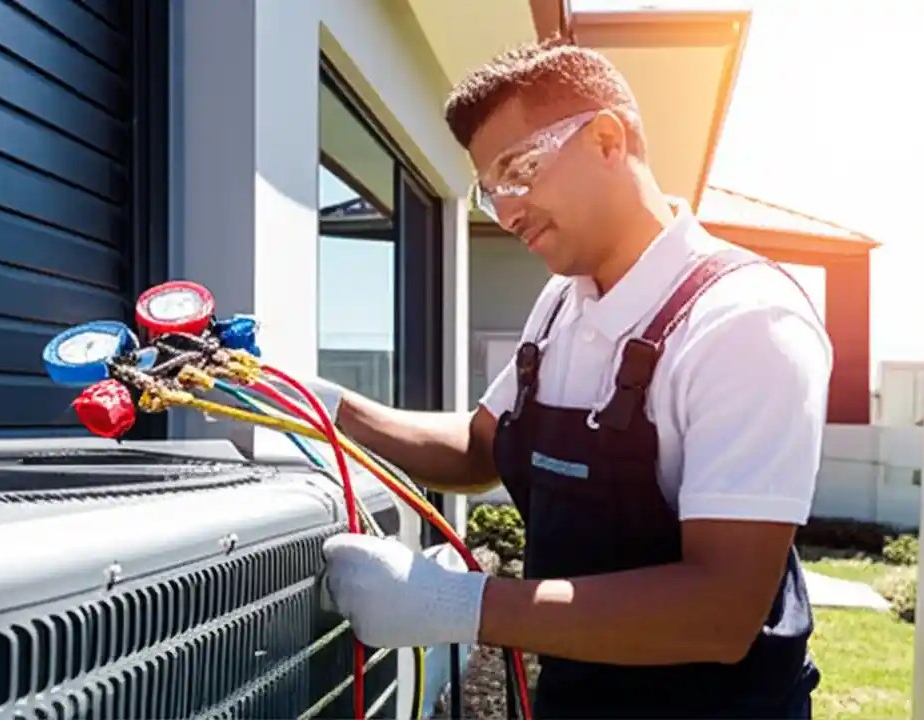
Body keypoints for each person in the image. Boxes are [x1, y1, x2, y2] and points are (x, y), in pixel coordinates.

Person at [316, 36, 832, 718]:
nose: (504, 211)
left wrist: (452, 605)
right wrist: (326, 409)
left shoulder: (743, 323)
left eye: (519, 169)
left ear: (608, 139)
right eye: (489, 187)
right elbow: (480, 450)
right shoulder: (563, 302)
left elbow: (721, 610)